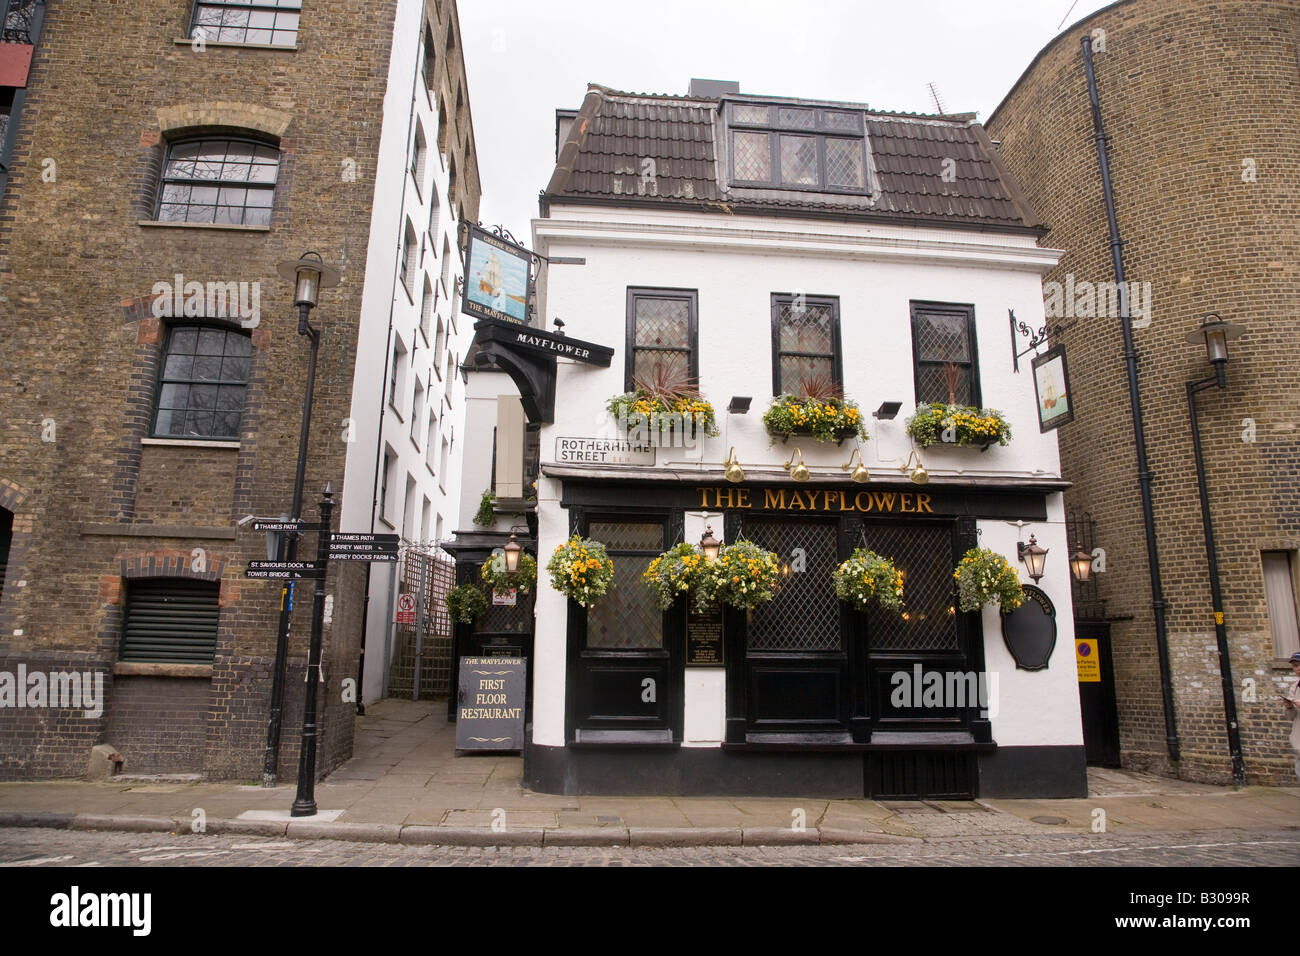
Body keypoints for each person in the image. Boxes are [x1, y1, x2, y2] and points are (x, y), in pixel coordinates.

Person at [1283, 652, 1300, 782]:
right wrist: (1289, 707)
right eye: (1295, 665)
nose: (1298, 668)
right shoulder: (1294, 687)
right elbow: (1291, 717)